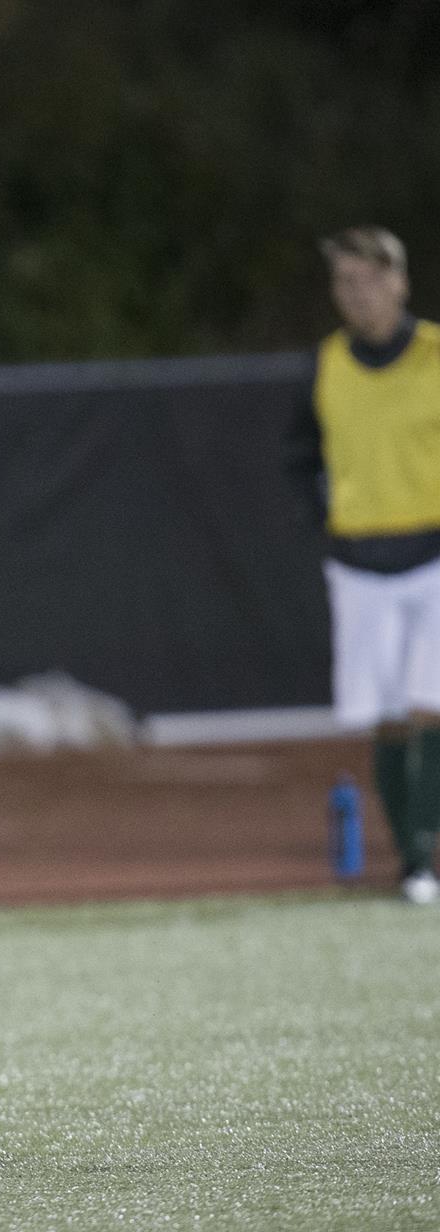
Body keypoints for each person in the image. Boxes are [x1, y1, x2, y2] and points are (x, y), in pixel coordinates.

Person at [289, 226, 440, 905]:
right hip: (359, 563)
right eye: (344, 281)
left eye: (369, 278)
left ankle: (420, 857)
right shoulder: (326, 366)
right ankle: (409, 857)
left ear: (400, 281)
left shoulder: (435, 356)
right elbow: (299, 458)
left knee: (430, 705)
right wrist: (319, 515)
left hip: (433, 555)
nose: (357, 293)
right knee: (383, 716)